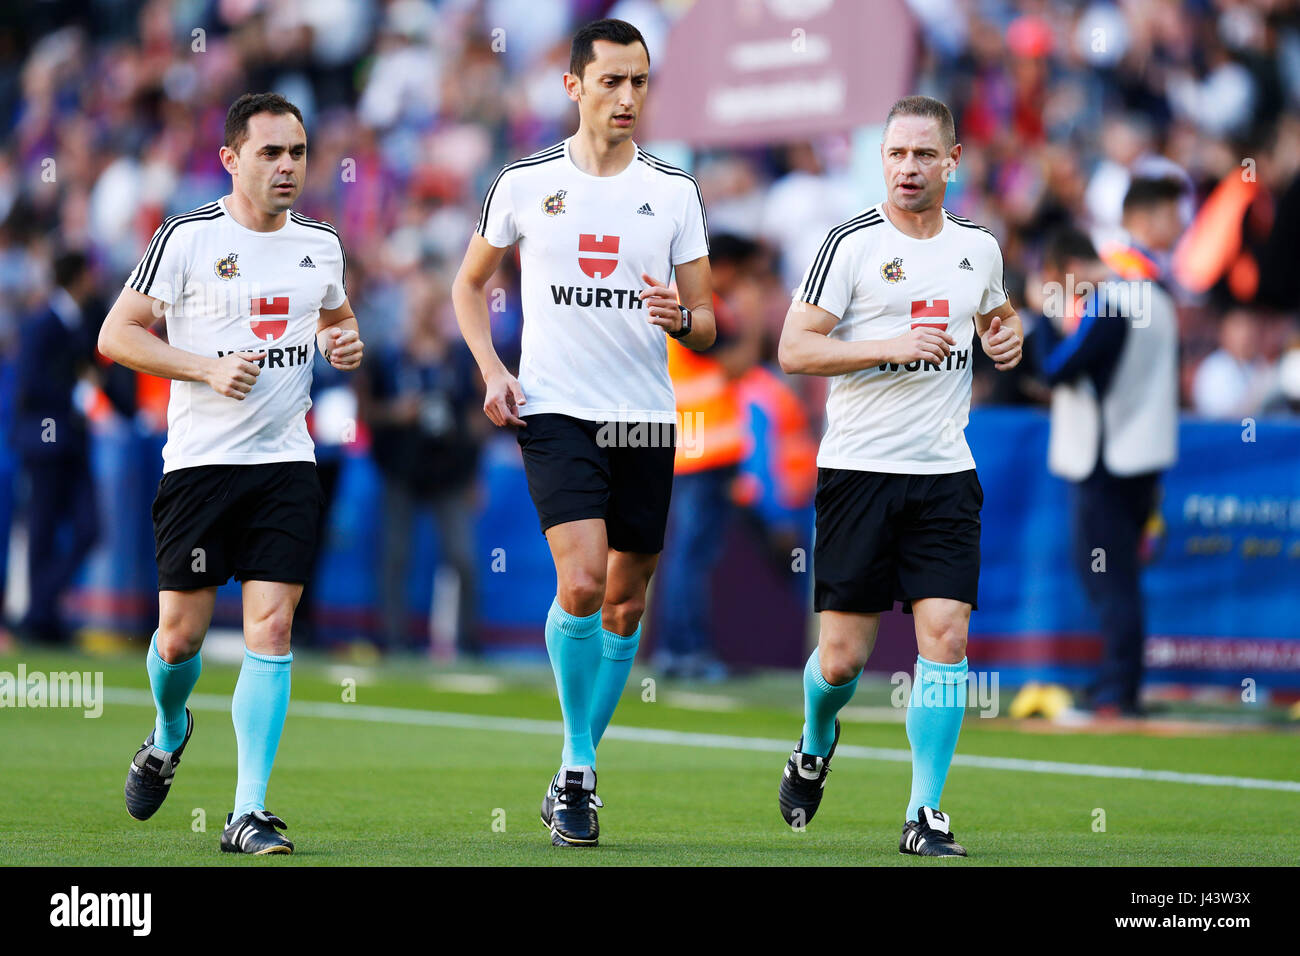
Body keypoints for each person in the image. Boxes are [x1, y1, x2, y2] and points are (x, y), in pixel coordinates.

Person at [451, 18, 715, 848]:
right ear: (574, 86)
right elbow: (468, 285)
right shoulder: (525, 182)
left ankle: (578, 768)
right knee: (584, 583)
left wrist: (685, 319)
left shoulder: (675, 191)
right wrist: (492, 370)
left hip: (645, 417)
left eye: (639, 81)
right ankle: (576, 765)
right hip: (557, 408)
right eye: (612, 81)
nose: (627, 96)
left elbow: (708, 321)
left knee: (628, 604)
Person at [98, 92, 364, 855]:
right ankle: (168, 729)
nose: (287, 166)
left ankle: (248, 810)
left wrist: (343, 343)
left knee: (271, 627)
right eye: (270, 152)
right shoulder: (187, 237)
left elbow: (337, 318)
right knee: (178, 640)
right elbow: (117, 334)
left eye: (297, 152)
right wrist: (204, 367)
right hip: (201, 467)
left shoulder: (321, 243)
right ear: (230, 159)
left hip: (285, 464)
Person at [775, 95, 1023, 857]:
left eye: (923, 155)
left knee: (945, 638)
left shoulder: (978, 246)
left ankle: (924, 812)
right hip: (859, 471)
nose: (908, 168)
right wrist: (887, 345)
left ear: (953, 162)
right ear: (881, 160)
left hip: (945, 472)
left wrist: (1006, 336)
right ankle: (816, 740)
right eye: (896, 154)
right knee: (842, 660)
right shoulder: (849, 243)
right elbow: (794, 349)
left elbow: (997, 316)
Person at [1038, 227, 1179, 717]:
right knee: (1120, 577)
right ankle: (1118, 682)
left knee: (1107, 577)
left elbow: (1056, 368)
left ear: (1070, 269)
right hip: (1143, 457)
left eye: (1057, 282)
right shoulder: (1157, 297)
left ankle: (1118, 689)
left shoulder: (1110, 302)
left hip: (1107, 460)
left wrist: (1042, 317)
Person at [656, 234, 763, 680]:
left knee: (691, 554)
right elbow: (737, 363)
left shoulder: (690, 301)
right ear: (725, 267)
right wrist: (753, 320)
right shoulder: (699, 305)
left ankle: (681, 648)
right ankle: (684, 650)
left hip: (698, 447)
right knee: (691, 554)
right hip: (702, 450)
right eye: (743, 272)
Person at [12, 250, 100, 646]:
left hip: (72, 444)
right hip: (46, 443)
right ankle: (41, 617)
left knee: (88, 527)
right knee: (44, 530)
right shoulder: (44, 322)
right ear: (78, 276)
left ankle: (41, 608)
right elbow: (29, 384)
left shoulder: (79, 319)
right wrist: (74, 396)